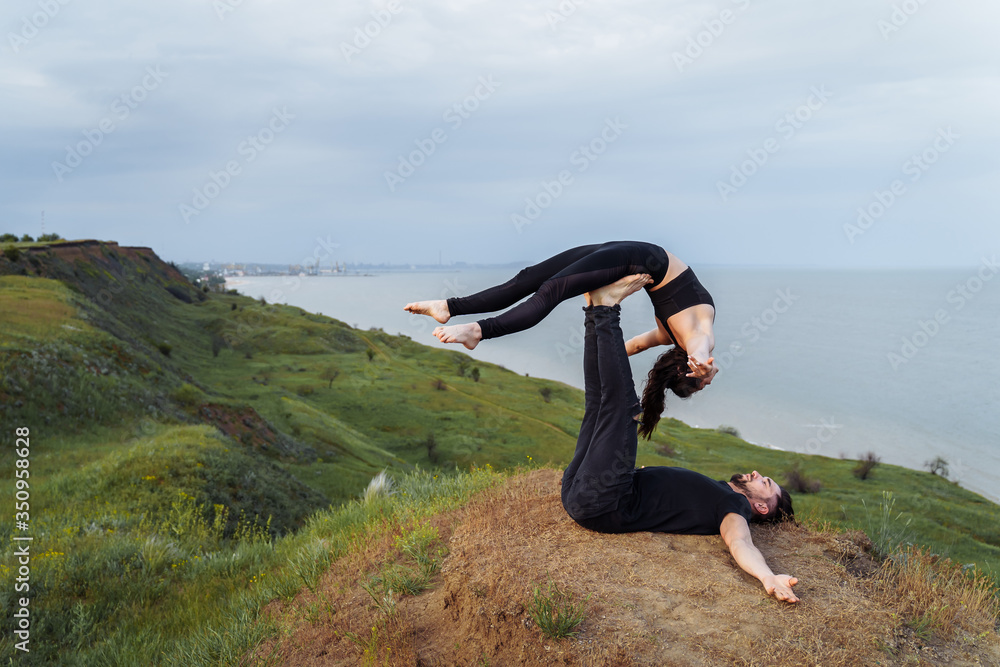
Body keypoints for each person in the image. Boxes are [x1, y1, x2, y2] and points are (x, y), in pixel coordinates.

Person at [560, 274, 798, 603]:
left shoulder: (734, 508)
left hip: (601, 500)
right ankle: (594, 308)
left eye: (766, 483)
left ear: (760, 506)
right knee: (598, 402)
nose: (757, 474)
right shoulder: (718, 491)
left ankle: (605, 309)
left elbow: (741, 544)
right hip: (582, 491)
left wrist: (767, 576)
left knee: (622, 407)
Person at [404, 241, 718, 435]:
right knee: (530, 277)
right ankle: (449, 307)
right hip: (630, 252)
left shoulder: (686, 336)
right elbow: (675, 347)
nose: (708, 381)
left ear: (686, 369)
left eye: (701, 382)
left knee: (549, 290)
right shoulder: (683, 335)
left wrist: (702, 363)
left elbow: (630, 348)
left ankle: (478, 331)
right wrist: (702, 364)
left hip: (634, 255)